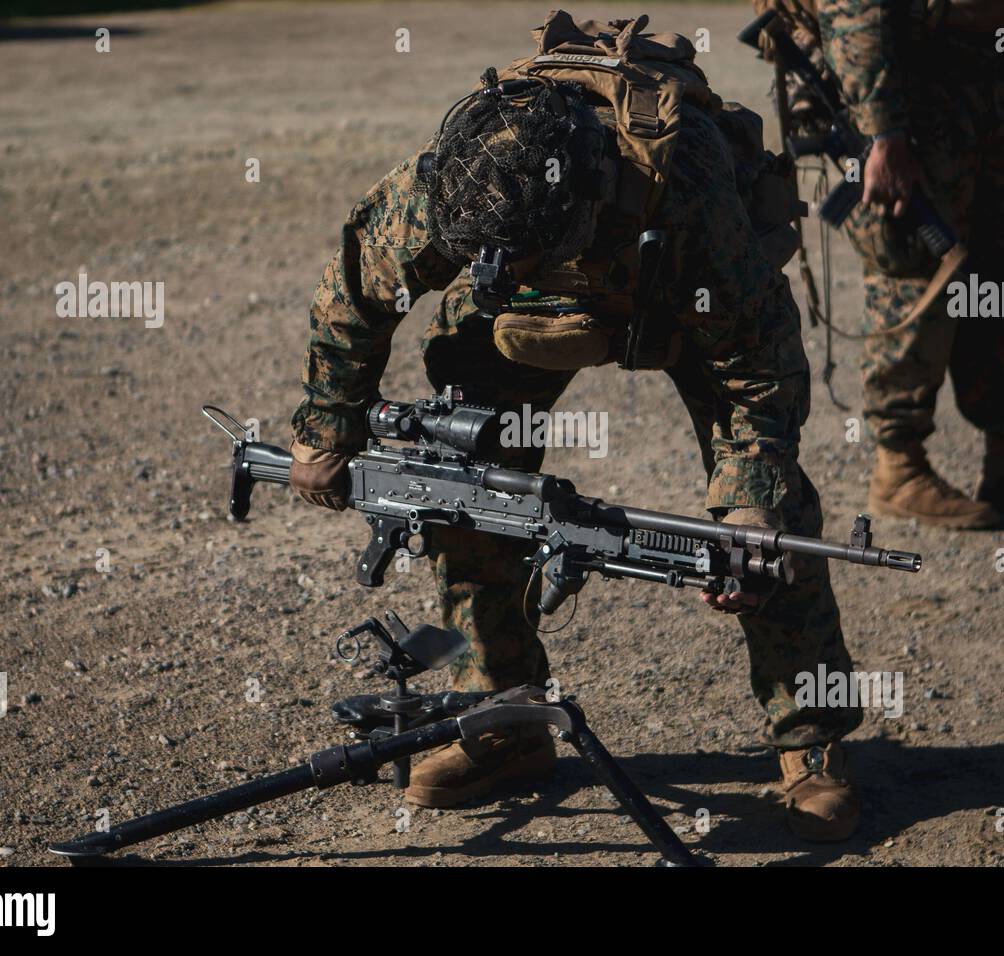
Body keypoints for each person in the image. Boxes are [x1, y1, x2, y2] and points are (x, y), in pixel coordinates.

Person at [288, 11, 869, 841]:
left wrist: (749, 496)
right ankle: (504, 718)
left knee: (770, 530)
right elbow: (355, 287)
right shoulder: (457, 178)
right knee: (462, 490)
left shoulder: (688, 187)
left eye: (514, 254)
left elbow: (758, 360)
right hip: (520, 314)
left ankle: (810, 740)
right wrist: (328, 423)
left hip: (679, 295)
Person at [751, 0, 1004, 528]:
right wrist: (883, 133)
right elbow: (855, 6)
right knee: (915, 270)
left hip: (984, 95)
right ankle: (899, 469)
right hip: (900, 102)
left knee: (1001, 270)